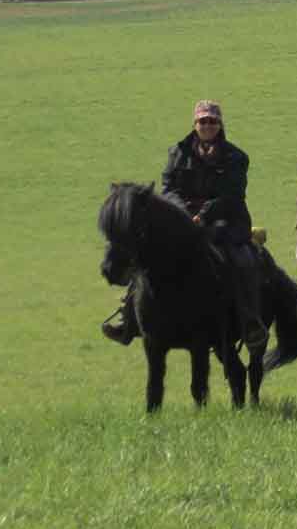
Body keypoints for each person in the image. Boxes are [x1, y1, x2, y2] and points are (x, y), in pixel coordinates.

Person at [101, 99, 253, 345]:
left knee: (239, 259)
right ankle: (128, 318)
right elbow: (169, 189)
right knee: (147, 256)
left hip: (224, 220)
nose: (207, 126)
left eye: (212, 121)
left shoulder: (237, 157)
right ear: (195, 124)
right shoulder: (177, 152)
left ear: (220, 125)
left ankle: (249, 319)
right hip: (183, 221)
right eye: (203, 121)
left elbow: (231, 196)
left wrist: (203, 216)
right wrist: (183, 216)